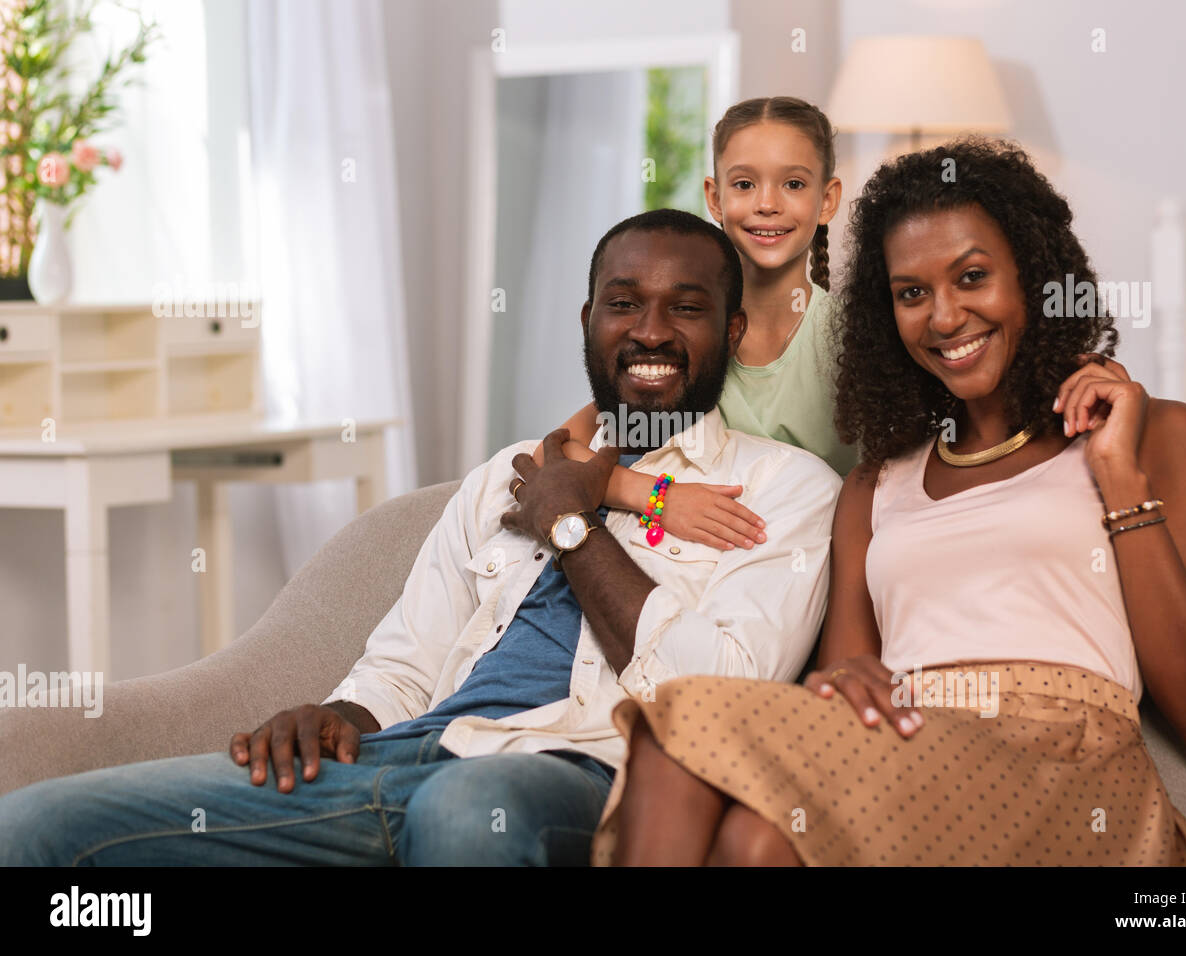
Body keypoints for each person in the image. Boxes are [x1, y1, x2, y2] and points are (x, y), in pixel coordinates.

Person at [0, 209, 841, 867]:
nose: (651, 332)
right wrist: (338, 713)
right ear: (589, 318)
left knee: (467, 810)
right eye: (625, 304)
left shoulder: (787, 491)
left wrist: (572, 523)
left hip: (572, 772)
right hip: (394, 761)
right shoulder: (507, 471)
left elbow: (713, 700)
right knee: (40, 827)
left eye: (687, 309)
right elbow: (404, 663)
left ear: (732, 332)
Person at [590, 139, 1186, 866]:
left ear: (1034, 277)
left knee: (700, 734)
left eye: (972, 277)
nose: (943, 318)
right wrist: (840, 680)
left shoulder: (1158, 435)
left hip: (1068, 773)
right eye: (912, 293)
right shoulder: (873, 485)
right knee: (740, 817)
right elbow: (845, 681)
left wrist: (1118, 476)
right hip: (907, 754)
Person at [537, 97, 856, 558]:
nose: (767, 204)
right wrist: (658, 500)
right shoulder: (685, 339)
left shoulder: (854, 337)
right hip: (700, 565)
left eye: (792, 183)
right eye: (745, 183)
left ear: (827, 200)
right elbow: (554, 454)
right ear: (715, 198)